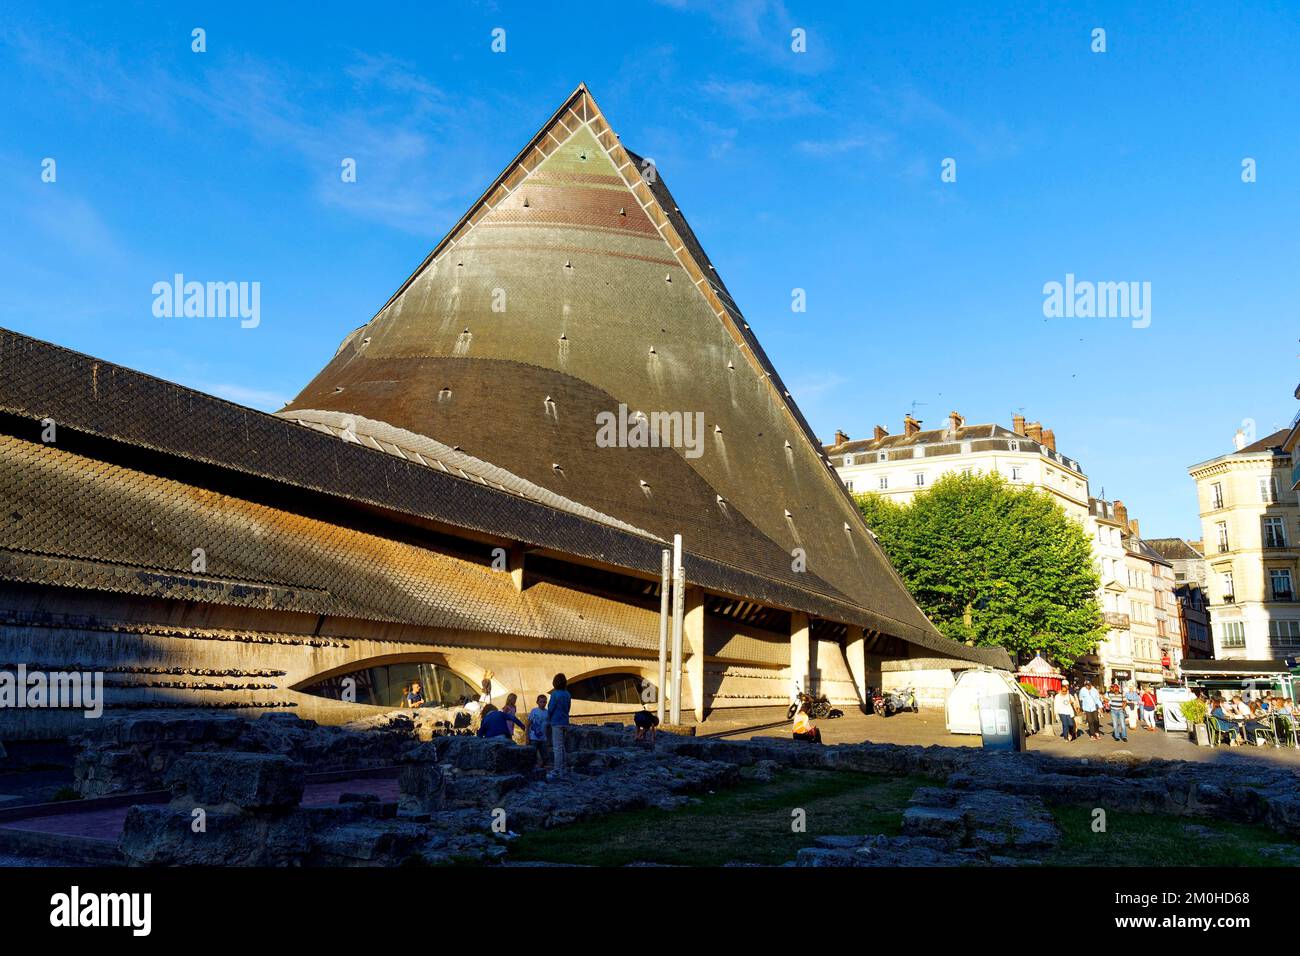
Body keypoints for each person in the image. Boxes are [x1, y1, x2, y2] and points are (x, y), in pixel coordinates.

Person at [546, 673, 572, 779]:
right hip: (565, 721)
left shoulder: (555, 694)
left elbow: (551, 708)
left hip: (556, 723)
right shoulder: (567, 694)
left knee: (557, 747)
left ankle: (557, 770)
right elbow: (568, 707)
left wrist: (548, 718)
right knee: (563, 747)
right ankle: (563, 768)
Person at [527, 694, 549, 768]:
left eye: (544, 702)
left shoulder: (547, 712)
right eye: (541, 702)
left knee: (545, 757)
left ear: (546, 702)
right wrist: (527, 736)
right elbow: (528, 724)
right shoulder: (534, 711)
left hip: (543, 738)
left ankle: (540, 768)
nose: (542, 704)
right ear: (537, 702)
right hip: (533, 738)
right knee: (532, 755)